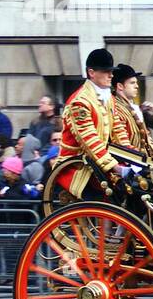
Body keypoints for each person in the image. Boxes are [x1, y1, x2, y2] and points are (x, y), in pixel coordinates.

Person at [54, 48, 125, 197]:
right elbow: (90, 141)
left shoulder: (108, 98)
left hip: (98, 163)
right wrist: (115, 167)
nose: (111, 75)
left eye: (111, 71)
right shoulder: (79, 102)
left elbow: (119, 131)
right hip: (78, 169)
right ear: (92, 73)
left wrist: (137, 158)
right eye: (106, 71)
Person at [110, 64, 153, 157]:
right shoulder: (115, 108)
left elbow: (147, 138)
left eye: (136, 83)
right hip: (130, 161)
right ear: (120, 86)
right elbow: (121, 143)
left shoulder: (133, 107)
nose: (137, 86)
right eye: (132, 83)